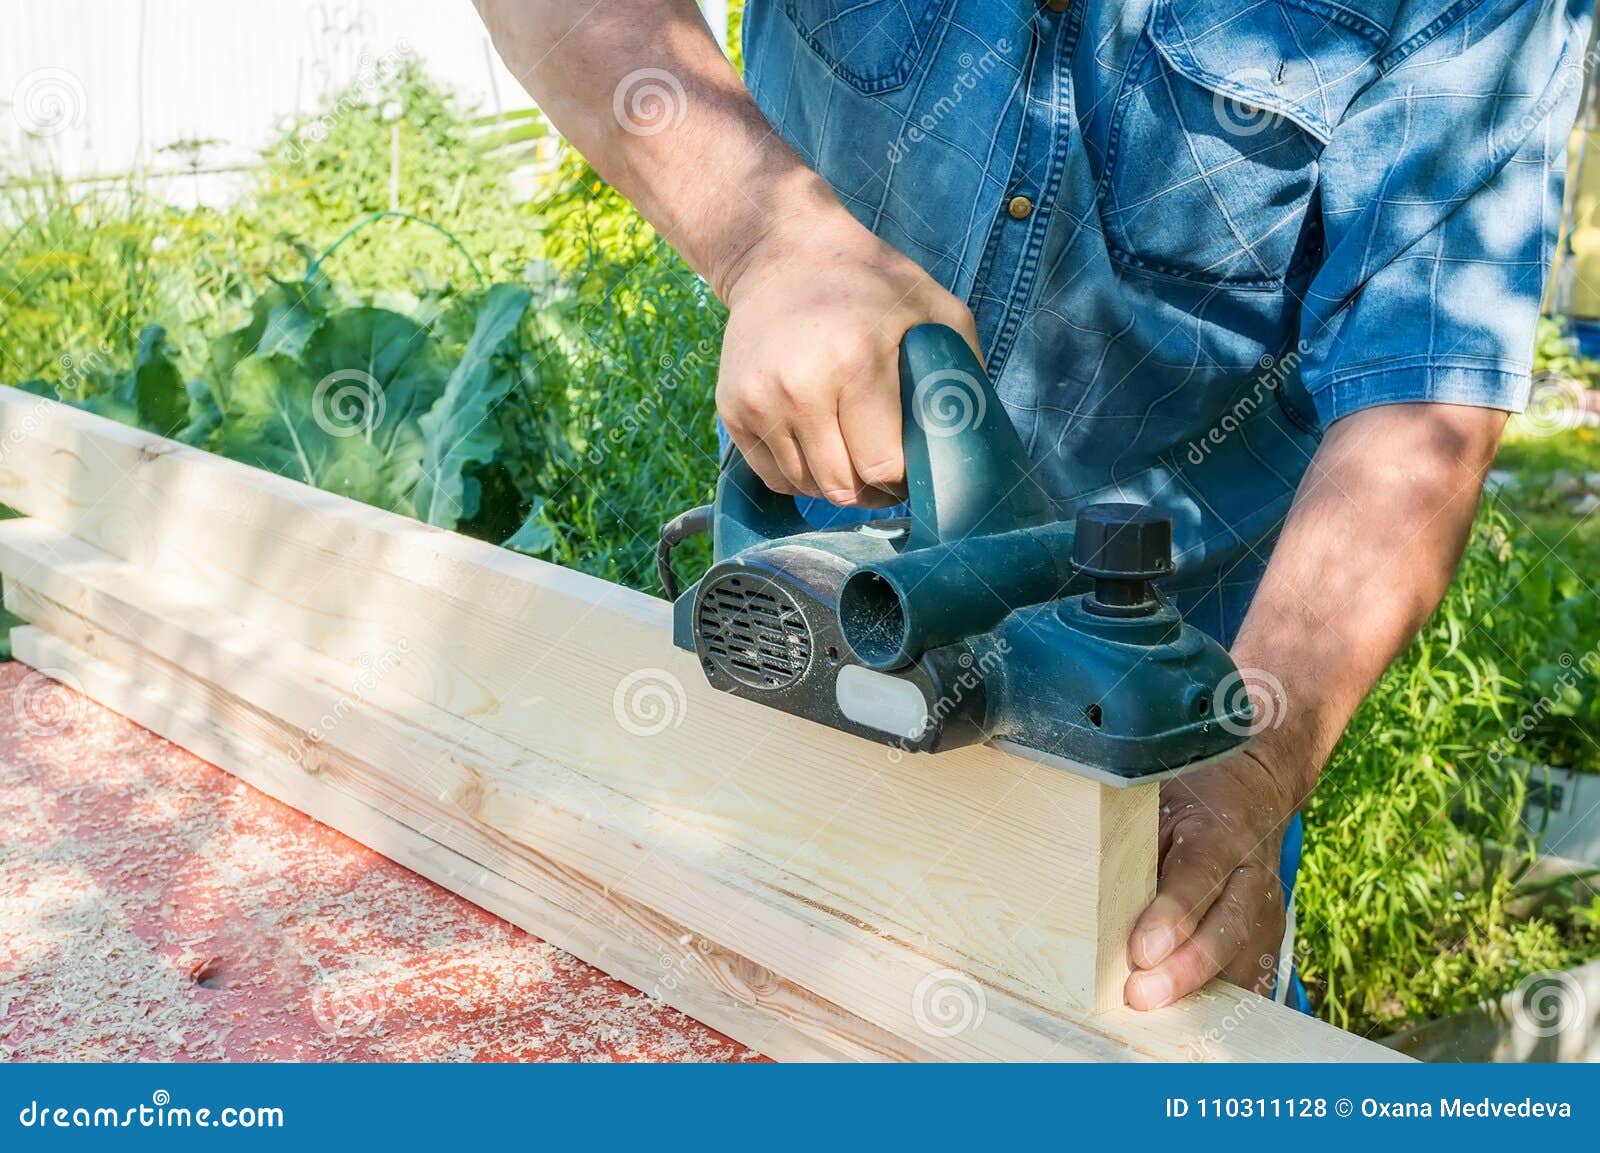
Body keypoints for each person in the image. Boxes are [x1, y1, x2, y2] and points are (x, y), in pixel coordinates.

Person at [474, 0, 1592, 1012]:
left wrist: (1245, 775)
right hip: (812, 651)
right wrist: (770, 236)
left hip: (1156, 753)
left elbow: (1418, 403)